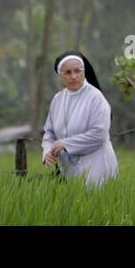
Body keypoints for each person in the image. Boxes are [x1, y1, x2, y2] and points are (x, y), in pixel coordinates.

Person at [41, 52, 118, 187]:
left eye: (78, 71)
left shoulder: (96, 97)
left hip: (98, 167)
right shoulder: (57, 99)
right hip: (70, 171)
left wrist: (65, 144)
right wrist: (47, 152)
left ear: (84, 71)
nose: (74, 76)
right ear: (60, 75)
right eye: (68, 72)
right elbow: (49, 133)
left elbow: (99, 134)